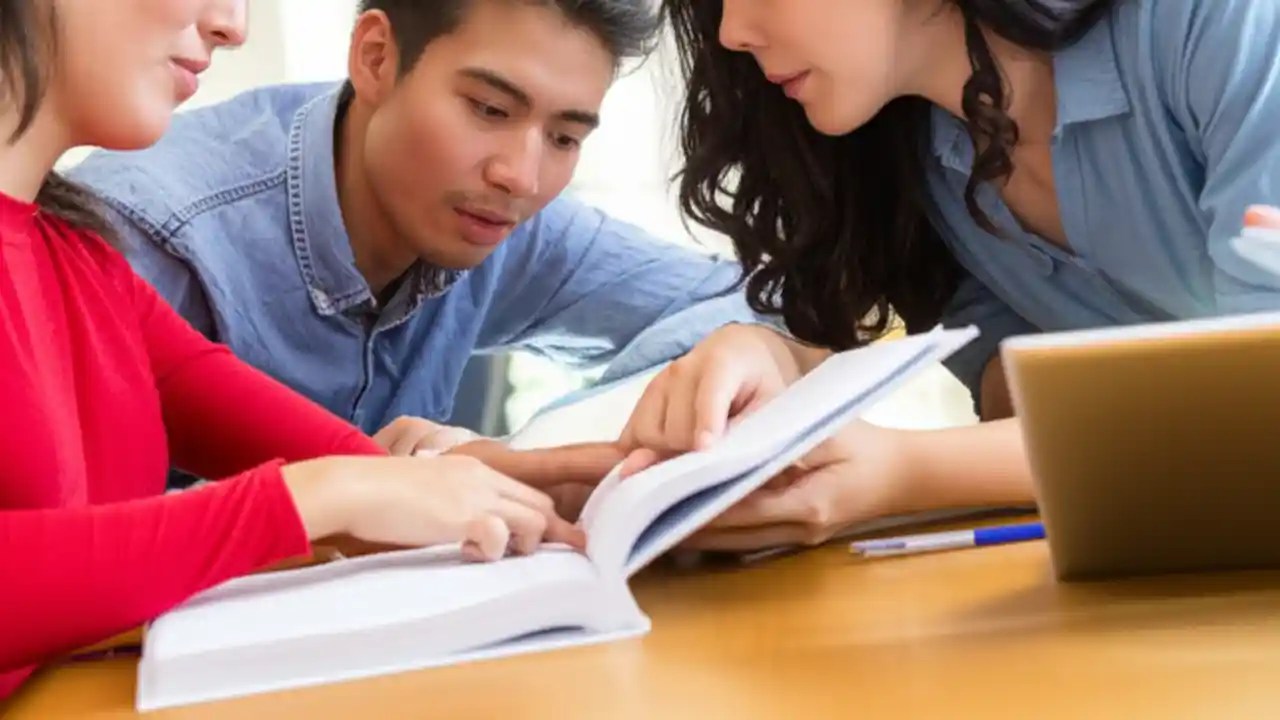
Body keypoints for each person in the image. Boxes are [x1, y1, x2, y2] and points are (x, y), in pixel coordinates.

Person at [0, 0, 586, 699]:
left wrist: (577, 480)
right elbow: (331, 482)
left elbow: (333, 459)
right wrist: (323, 496)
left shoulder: (76, 255)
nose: (231, 26)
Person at [614, 0, 1280, 551]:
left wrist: (908, 472)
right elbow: (1023, 400)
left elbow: (1257, 411)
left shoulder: (1218, 22)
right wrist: (775, 356)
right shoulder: (911, 168)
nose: (732, 31)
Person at [68, 0, 762, 458]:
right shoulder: (151, 240)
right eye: (489, 108)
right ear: (376, 58)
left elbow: (762, 308)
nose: (521, 175)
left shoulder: (511, 222)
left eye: (564, 136)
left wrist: (546, 447)